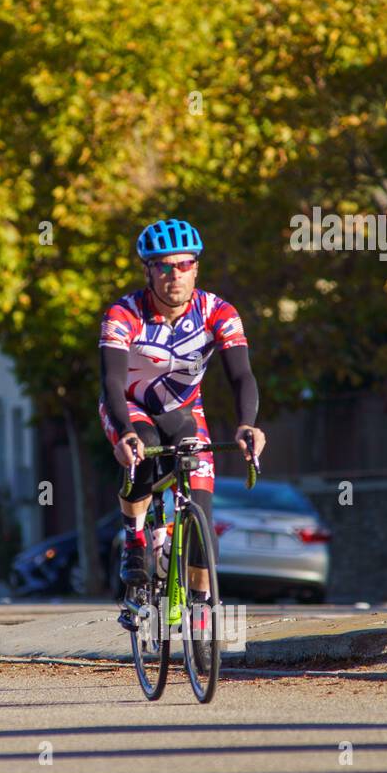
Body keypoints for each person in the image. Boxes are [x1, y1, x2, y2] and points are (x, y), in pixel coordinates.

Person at [98, 219, 267, 624]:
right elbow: (113, 380)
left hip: (185, 413)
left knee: (203, 521)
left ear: (196, 267)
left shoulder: (219, 313)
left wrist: (247, 424)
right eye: (163, 266)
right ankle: (135, 540)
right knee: (140, 451)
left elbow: (241, 375)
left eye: (184, 265)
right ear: (148, 271)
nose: (175, 275)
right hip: (130, 408)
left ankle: (200, 616)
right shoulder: (124, 313)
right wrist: (123, 433)